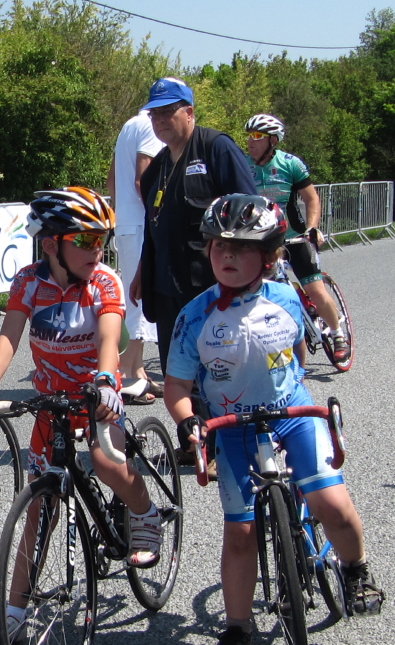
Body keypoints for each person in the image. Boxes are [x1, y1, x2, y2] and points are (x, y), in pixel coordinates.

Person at [164, 194, 384, 645]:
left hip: (292, 415)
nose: (226, 254)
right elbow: (177, 388)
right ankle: (238, 626)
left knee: (333, 507)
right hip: (233, 429)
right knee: (241, 533)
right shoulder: (193, 316)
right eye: (219, 245)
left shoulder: (286, 297)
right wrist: (188, 420)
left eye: (242, 247)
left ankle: (356, 570)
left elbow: (296, 358)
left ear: (267, 259)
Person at [0, 187, 164, 645]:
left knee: (107, 460)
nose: (99, 250)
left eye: (102, 240)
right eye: (87, 241)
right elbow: (9, 337)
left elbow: (108, 340)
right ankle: (12, 617)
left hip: (95, 396)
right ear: (52, 243)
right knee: (38, 510)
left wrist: (109, 381)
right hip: (52, 404)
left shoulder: (104, 282)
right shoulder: (29, 283)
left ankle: (145, 514)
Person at [130, 77, 259, 376]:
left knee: (219, 374)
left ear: (188, 112)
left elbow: (251, 213)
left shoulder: (216, 148)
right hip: (165, 290)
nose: (160, 120)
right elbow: (154, 228)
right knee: (177, 375)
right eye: (154, 114)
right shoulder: (157, 168)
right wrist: (141, 272)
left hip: (209, 289)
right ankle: (189, 425)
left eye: (167, 111)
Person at [244, 114, 351, 363]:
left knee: (314, 289)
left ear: (273, 140)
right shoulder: (242, 164)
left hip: (294, 237)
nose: (251, 141)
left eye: (257, 136)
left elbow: (312, 199)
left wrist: (312, 229)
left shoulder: (290, 164)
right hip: (263, 241)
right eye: (249, 135)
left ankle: (337, 334)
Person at [105, 110, 164, 404]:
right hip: (142, 222)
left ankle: (135, 368)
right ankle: (128, 373)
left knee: (135, 295)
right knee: (139, 296)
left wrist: (123, 213)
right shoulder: (151, 126)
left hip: (128, 222)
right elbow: (144, 178)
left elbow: (111, 180)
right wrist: (157, 217)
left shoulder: (128, 125)